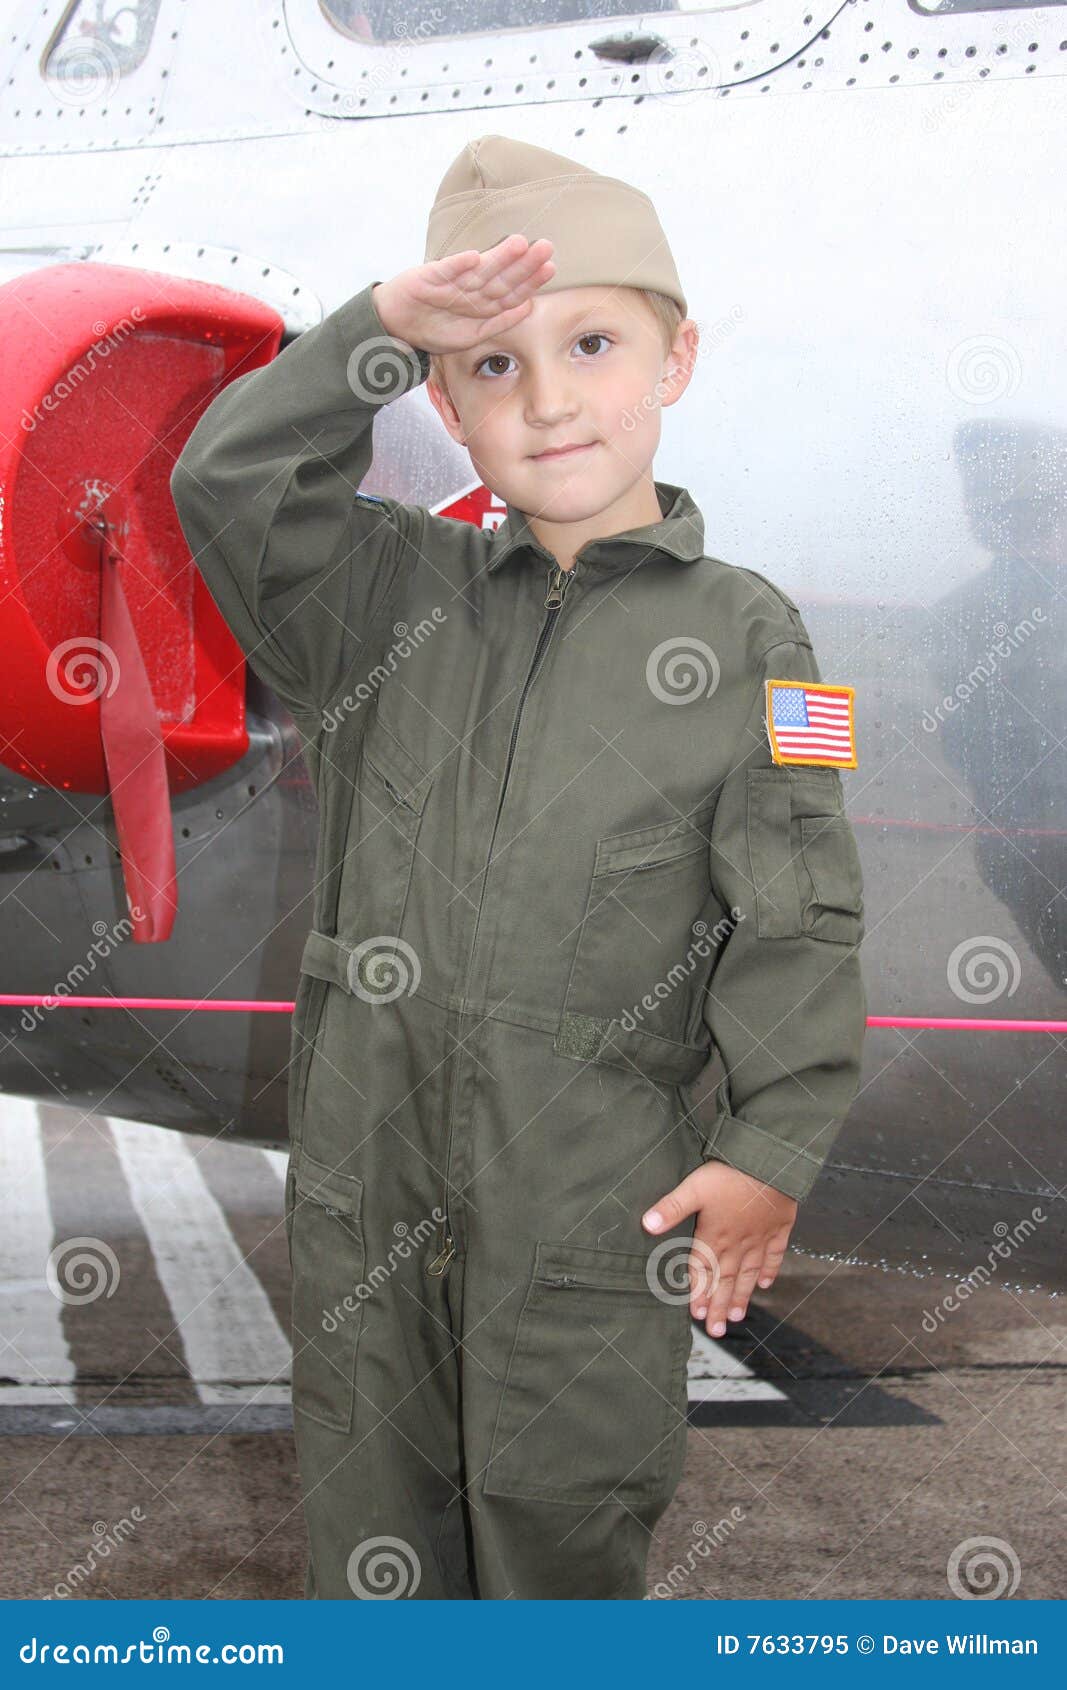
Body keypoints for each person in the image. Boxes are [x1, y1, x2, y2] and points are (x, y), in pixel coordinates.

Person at [169, 134, 868, 1601]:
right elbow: (226, 480)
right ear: (441, 399)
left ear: (675, 362)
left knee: (562, 1535)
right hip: (372, 1188)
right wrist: (374, 330)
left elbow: (794, 909)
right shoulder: (380, 600)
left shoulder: (750, 637)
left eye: (593, 343)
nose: (548, 399)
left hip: (588, 1202)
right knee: (372, 1540)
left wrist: (769, 1151)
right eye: (489, 365)